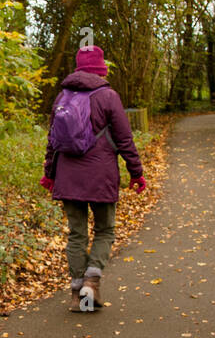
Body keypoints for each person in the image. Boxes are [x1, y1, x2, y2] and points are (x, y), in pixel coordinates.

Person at [40, 45, 145, 312]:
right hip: (101, 176)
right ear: (101, 68)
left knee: (76, 234)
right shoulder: (108, 96)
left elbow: (52, 142)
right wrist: (136, 172)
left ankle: (78, 295)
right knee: (105, 230)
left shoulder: (62, 96)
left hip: (68, 176)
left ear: (78, 67)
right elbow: (124, 139)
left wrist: (49, 174)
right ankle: (91, 281)